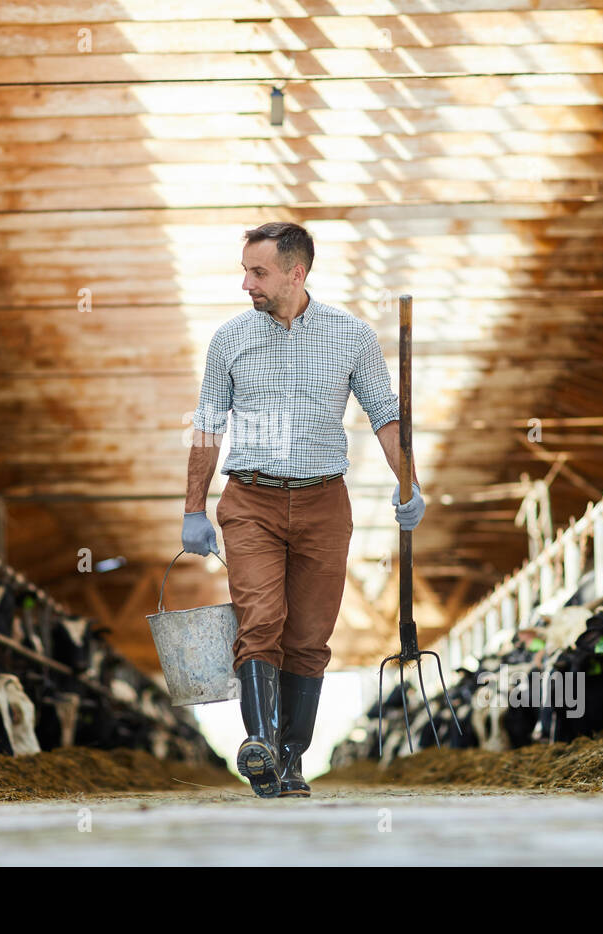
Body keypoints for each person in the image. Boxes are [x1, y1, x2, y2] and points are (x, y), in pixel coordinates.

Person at [182, 221, 424, 798]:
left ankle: (291, 759)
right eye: (245, 270)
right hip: (251, 502)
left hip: (323, 503)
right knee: (260, 621)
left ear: (297, 272)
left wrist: (410, 484)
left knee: (311, 636)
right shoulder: (229, 339)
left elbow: (386, 415)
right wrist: (194, 506)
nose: (246, 284)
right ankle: (261, 744)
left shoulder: (351, 336)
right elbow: (208, 426)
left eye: (257, 272)